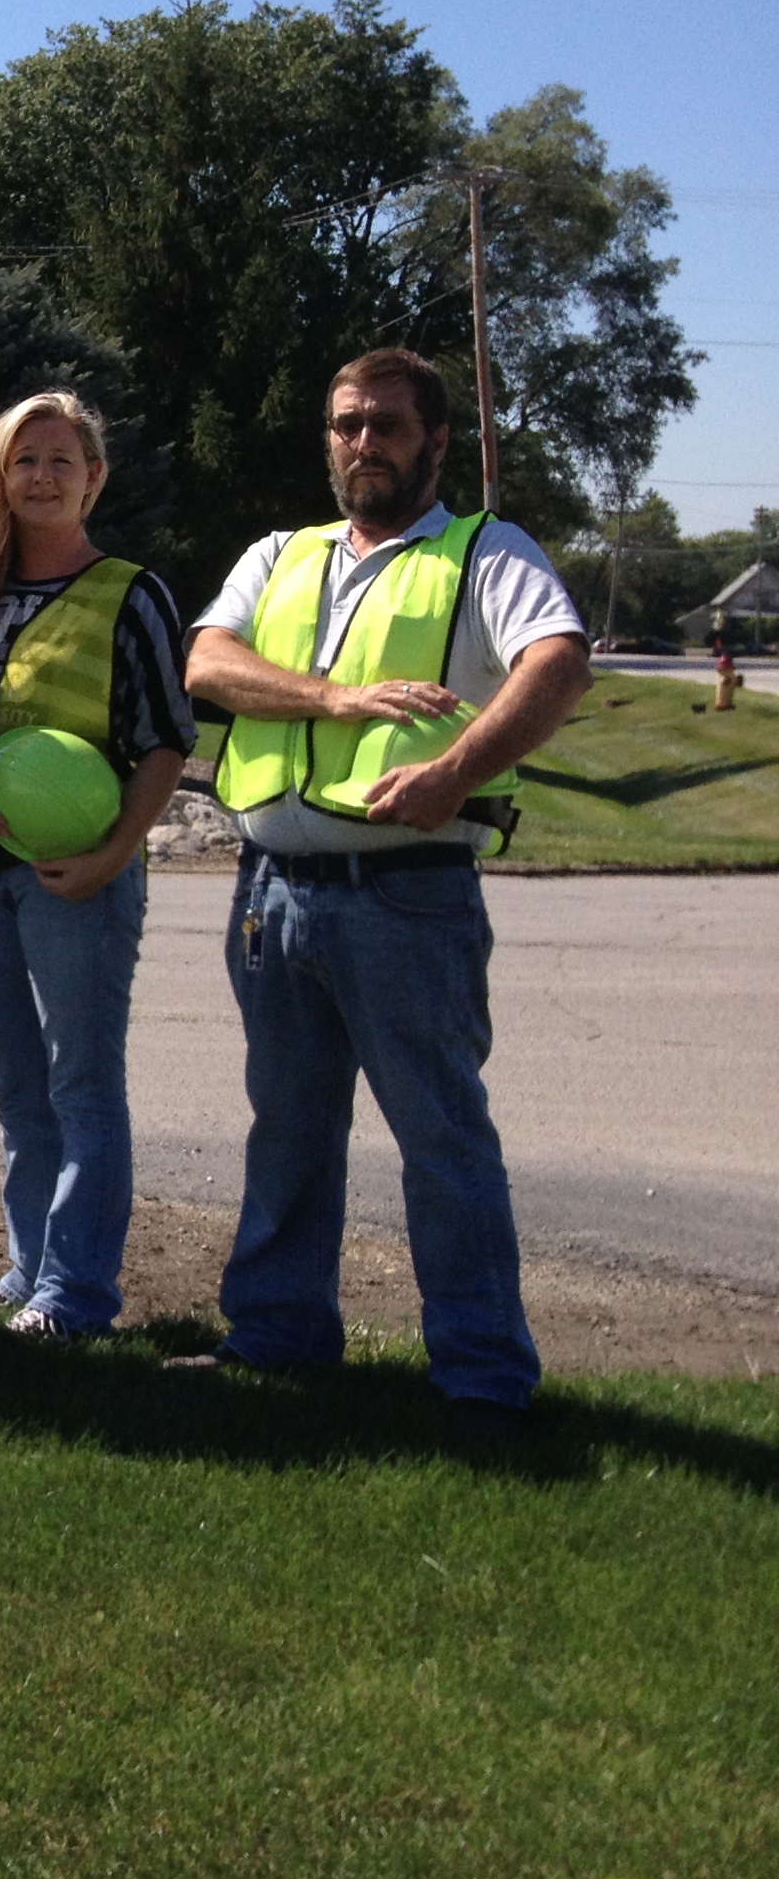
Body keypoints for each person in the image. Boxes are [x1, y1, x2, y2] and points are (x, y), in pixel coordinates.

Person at [177, 347, 592, 1436]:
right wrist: (336, 699)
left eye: (388, 427)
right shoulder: (283, 554)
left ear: (436, 443)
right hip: (274, 889)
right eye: (347, 425)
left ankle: (483, 1373)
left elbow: (558, 661)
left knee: (442, 1139)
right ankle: (276, 1337)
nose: (364, 444)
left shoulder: (481, 553)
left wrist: (457, 772)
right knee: (290, 1132)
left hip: (410, 892)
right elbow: (207, 663)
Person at [0, 393, 193, 1338]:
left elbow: (166, 743)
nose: (42, 477)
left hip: (77, 876)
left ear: (94, 478)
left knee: (82, 1084)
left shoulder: (131, 594)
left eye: (62, 460)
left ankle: (79, 1294)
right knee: (16, 1086)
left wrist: (114, 855)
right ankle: (29, 1270)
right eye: (24, 460)